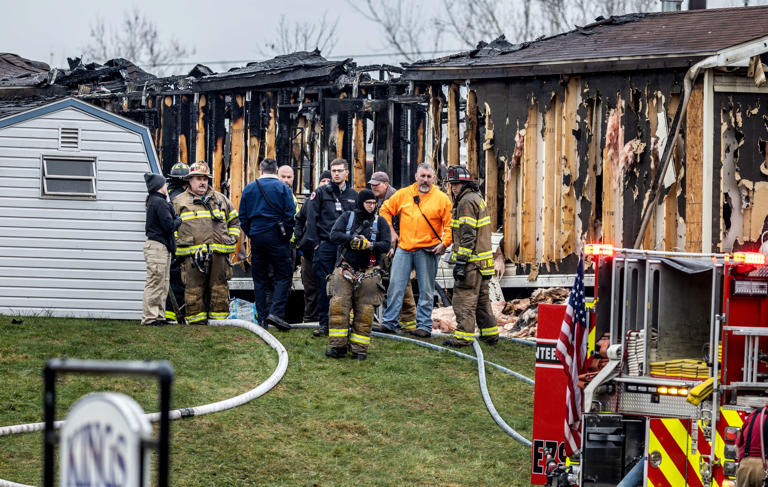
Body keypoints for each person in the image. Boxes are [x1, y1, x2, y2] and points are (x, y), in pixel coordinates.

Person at [374, 162, 452, 338]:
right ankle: (389, 323)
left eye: (428, 177)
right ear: (416, 177)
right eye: (422, 176)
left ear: (433, 178)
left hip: (428, 249)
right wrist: (392, 233)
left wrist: (444, 244)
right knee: (395, 286)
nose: (425, 180)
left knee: (426, 289)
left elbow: (450, 225)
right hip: (404, 248)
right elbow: (385, 210)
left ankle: (424, 326)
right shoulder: (404, 194)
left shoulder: (441, 199)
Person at [325, 189, 391, 360]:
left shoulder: (381, 222)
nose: (371, 206)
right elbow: (334, 235)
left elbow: (386, 245)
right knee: (339, 307)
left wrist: (370, 245)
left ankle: (359, 350)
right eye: (368, 203)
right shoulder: (347, 217)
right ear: (360, 203)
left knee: (365, 312)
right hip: (346, 270)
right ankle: (337, 347)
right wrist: (351, 240)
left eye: (373, 203)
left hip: (369, 273)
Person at [173, 161, 240, 325]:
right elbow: (170, 227)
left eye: (205, 178)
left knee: (219, 288)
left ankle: (219, 323)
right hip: (191, 257)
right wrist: (178, 244)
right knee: (193, 290)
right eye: (198, 178)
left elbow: (235, 222)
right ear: (190, 180)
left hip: (219, 255)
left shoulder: (221, 200)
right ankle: (197, 325)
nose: (202, 182)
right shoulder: (179, 202)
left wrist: (230, 240)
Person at [441, 165, 498, 347]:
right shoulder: (476, 198)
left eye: (456, 184)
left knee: (464, 299)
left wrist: (461, 262)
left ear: (464, 184)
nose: (453, 188)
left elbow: (468, 235)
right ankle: (490, 334)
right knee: (482, 301)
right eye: (452, 184)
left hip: (471, 264)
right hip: (483, 263)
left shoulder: (465, 202)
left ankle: (463, 337)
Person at [239, 158, 296, 331]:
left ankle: (262, 318)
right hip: (277, 237)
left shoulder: (249, 188)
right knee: (283, 275)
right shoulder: (282, 188)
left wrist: (253, 233)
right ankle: (276, 313)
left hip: (257, 237)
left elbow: (243, 216)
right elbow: (290, 213)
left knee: (260, 278)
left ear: (260, 170)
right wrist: (285, 234)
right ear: (276, 170)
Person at [305, 158, 358, 337]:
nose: (336, 173)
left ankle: (344, 323)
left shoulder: (354, 195)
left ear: (346, 173)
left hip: (346, 247)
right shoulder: (320, 193)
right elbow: (311, 219)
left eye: (339, 170)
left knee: (347, 285)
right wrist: (315, 244)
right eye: (333, 170)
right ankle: (324, 324)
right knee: (324, 285)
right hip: (326, 245)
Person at [370, 171, 418, 332]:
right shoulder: (378, 199)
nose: (374, 187)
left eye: (377, 184)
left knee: (402, 284)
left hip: (397, 248)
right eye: (372, 184)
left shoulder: (395, 198)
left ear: (386, 183)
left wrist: (393, 247)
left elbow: (400, 227)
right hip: (383, 247)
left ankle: (409, 321)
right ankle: (402, 321)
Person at [142, 172, 181, 326]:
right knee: (155, 282)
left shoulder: (156, 201)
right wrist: (179, 220)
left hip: (161, 247)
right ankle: (150, 317)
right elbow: (169, 225)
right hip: (157, 247)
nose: (167, 186)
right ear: (159, 186)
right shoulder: (158, 202)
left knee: (163, 283)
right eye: (164, 184)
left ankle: (158, 316)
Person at [295, 170, 332, 321]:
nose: (325, 184)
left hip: (330, 253)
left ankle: (329, 319)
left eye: (328, 182)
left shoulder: (337, 201)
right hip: (310, 253)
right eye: (323, 181)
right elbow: (299, 219)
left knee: (330, 288)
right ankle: (310, 318)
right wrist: (298, 240)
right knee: (310, 287)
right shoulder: (311, 200)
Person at [165, 162, 189, 324]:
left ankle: (169, 314)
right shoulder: (182, 198)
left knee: (169, 281)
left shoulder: (166, 194)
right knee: (178, 281)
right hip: (178, 244)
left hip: (167, 243)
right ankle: (175, 314)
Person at [736, 404, 768, 486]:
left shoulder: (753, 415)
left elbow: (736, 446)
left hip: (745, 466)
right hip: (765, 468)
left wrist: (742, 464)